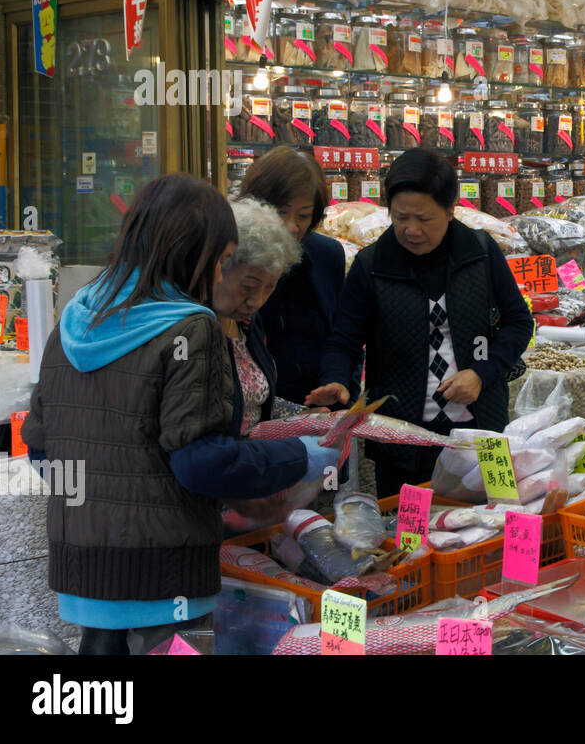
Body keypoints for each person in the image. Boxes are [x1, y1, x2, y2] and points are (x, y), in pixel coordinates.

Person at [21, 174, 337, 655]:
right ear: (190, 253)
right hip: (166, 571)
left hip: (81, 568)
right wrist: (302, 456)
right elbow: (201, 462)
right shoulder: (192, 327)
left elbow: (40, 447)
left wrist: (100, 501)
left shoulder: (77, 315)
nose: (217, 276)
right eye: (220, 260)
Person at [307, 149, 533, 496]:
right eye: (400, 217)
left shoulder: (482, 253)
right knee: (407, 538)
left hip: (478, 432)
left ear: (451, 210)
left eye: (424, 219)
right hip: (401, 439)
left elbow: (518, 323)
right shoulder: (372, 266)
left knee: (481, 530)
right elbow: (345, 339)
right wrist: (336, 379)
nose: (411, 230)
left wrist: (482, 372)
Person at [237, 146, 350, 405]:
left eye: (303, 215)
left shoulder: (327, 254)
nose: (291, 226)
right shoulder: (235, 259)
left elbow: (341, 334)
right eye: (281, 212)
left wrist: (337, 380)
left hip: (320, 406)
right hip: (257, 410)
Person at [211, 197, 302, 435]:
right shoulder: (194, 331)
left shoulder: (247, 324)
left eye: (269, 287)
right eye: (248, 287)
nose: (257, 301)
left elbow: (253, 401)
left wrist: (302, 416)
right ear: (218, 267)